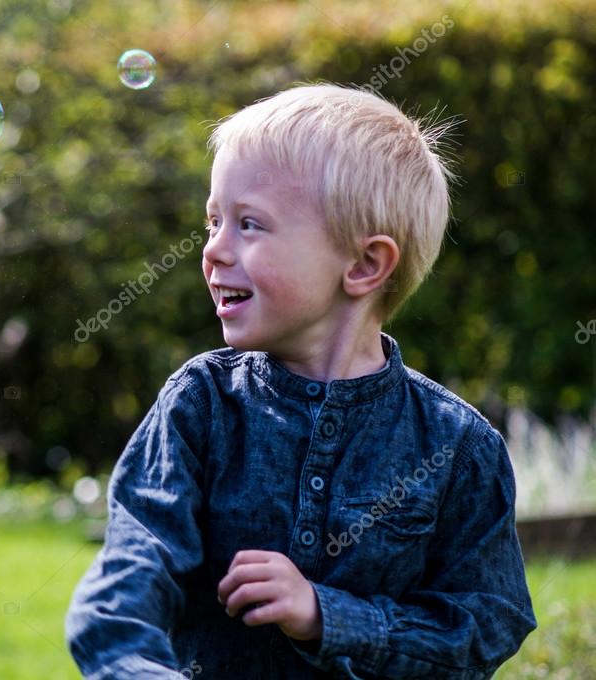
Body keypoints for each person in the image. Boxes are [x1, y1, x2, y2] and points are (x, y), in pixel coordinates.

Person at [64, 82, 536, 678]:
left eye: (250, 224)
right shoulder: (201, 405)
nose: (212, 251)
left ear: (364, 265)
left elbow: (485, 626)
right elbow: (127, 584)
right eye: (212, 222)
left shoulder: (456, 446)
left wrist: (327, 615)